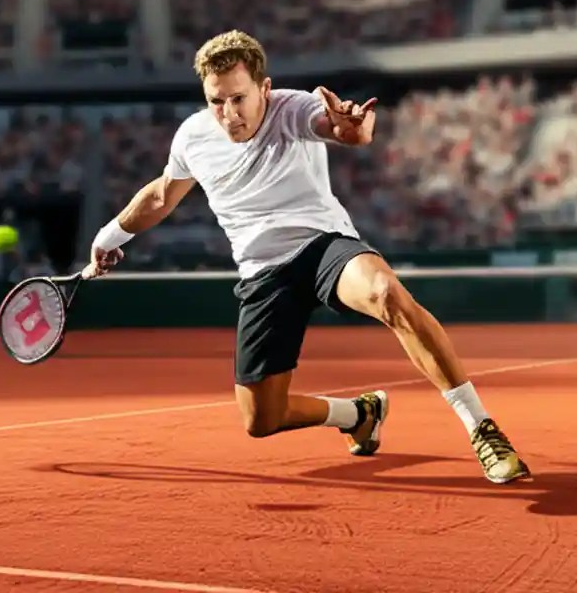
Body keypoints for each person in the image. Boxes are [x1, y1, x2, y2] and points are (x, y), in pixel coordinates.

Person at [81, 30, 530, 484]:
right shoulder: (194, 137)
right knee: (261, 419)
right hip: (261, 273)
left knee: (386, 293)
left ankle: (482, 428)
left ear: (265, 88)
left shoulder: (293, 107)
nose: (228, 114)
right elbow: (161, 196)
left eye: (238, 98)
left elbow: (344, 130)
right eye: (216, 101)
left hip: (322, 246)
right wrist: (108, 236)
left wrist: (352, 126)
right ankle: (359, 414)